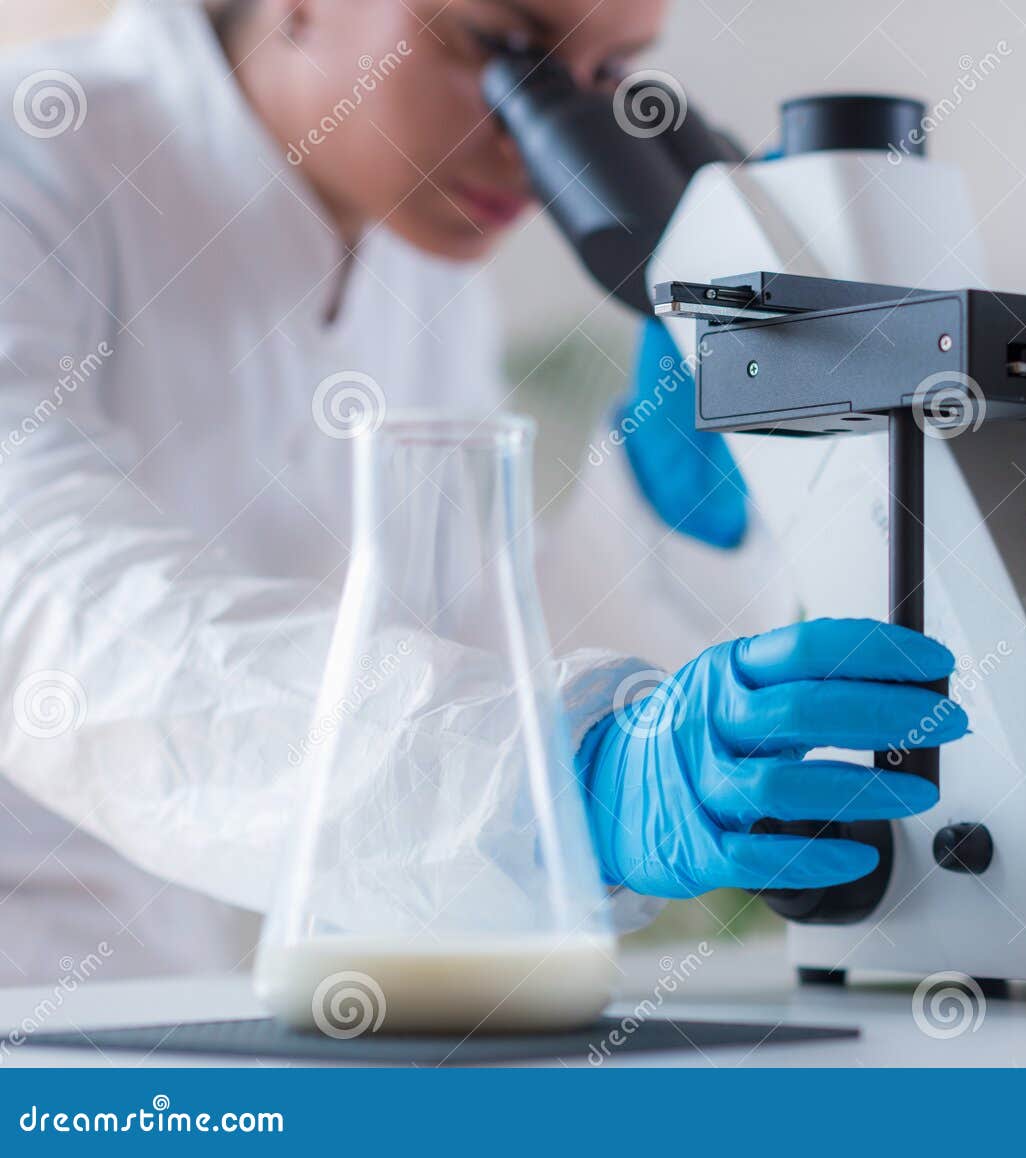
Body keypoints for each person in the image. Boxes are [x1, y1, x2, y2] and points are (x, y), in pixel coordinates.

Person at [0, 0, 962, 983]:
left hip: (172, 983)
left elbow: (464, 668)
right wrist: (558, 777)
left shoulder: (416, 271)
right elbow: (41, 607)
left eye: (605, 76)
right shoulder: (28, 161)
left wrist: (661, 525)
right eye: (497, 47)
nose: (531, 149)